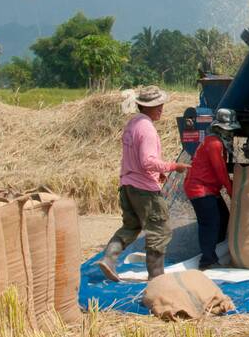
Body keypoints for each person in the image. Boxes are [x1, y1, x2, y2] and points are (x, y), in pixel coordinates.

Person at [98, 85, 190, 281]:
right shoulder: (146, 128)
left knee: (131, 226)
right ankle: (156, 278)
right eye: (158, 106)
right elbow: (147, 161)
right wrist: (173, 166)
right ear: (146, 107)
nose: (161, 109)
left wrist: (158, 174)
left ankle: (109, 259)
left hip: (127, 185)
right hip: (144, 190)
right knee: (159, 231)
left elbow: (136, 161)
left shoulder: (132, 125)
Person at [185, 108, 237, 270]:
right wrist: (231, 191)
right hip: (200, 189)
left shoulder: (214, 142)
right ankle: (207, 261)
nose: (228, 134)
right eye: (225, 130)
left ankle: (216, 253)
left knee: (223, 218)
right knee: (210, 223)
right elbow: (220, 171)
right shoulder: (214, 143)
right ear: (218, 129)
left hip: (208, 189)